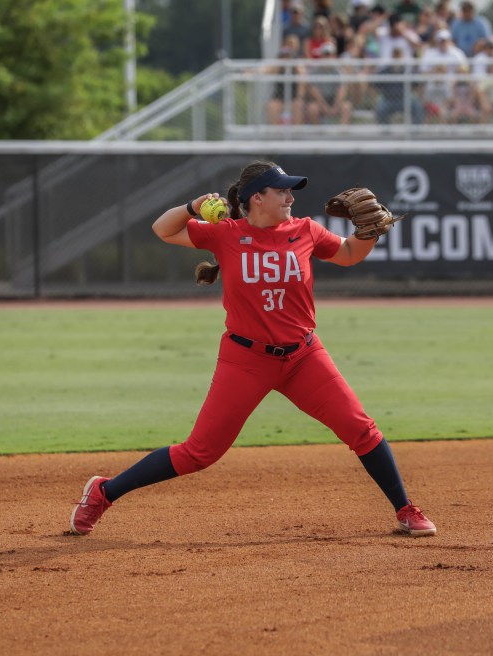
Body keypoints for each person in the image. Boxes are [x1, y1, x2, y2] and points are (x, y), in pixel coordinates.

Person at [67, 160, 437, 538]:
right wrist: (194, 207)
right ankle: (104, 492)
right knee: (199, 453)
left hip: (303, 356)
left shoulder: (305, 230)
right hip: (246, 360)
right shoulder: (226, 234)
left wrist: (368, 233)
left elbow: (348, 253)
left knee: (361, 428)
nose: (291, 197)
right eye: (282, 191)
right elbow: (163, 229)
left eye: (291, 191)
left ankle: (405, 509)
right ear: (257, 198)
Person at [301, 42, 354, 124]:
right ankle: (318, 131)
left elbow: (342, 89)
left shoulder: (339, 70)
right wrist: (324, 107)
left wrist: (335, 107)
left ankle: (342, 131)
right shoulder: (314, 71)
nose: (328, 57)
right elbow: (314, 91)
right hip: (319, 102)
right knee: (312, 108)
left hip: (335, 101)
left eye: (330, 55)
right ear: (321, 55)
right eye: (326, 54)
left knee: (346, 107)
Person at [267, 35, 306, 125]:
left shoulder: (297, 64)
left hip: (294, 98)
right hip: (279, 98)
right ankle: (275, 132)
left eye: (288, 55)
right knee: (272, 106)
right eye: (283, 55)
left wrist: (300, 97)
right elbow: (265, 70)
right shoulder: (277, 65)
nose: (285, 57)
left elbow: (302, 79)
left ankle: (297, 131)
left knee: (298, 105)